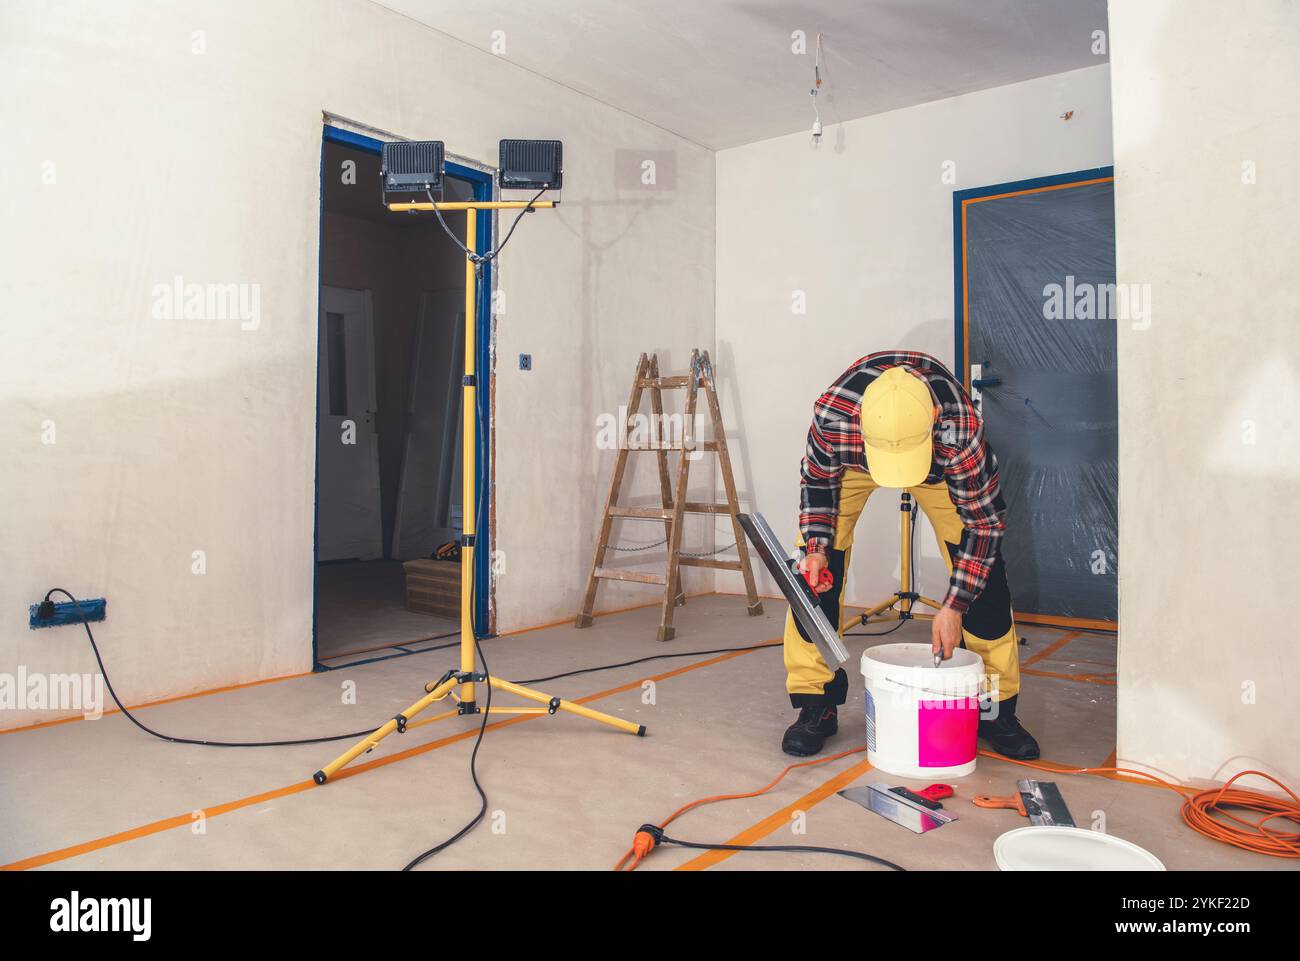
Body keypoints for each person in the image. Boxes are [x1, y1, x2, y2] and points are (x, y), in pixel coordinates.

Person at [781, 350, 1039, 761]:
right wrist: (815, 549)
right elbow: (817, 483)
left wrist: (954, 606)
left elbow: (984, 525)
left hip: (939, 471)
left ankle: (996, 711)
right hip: (852, 468)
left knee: (984, 581)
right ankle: (817, 704)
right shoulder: (833, 416)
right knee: (812, 579)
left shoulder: (960, 428)